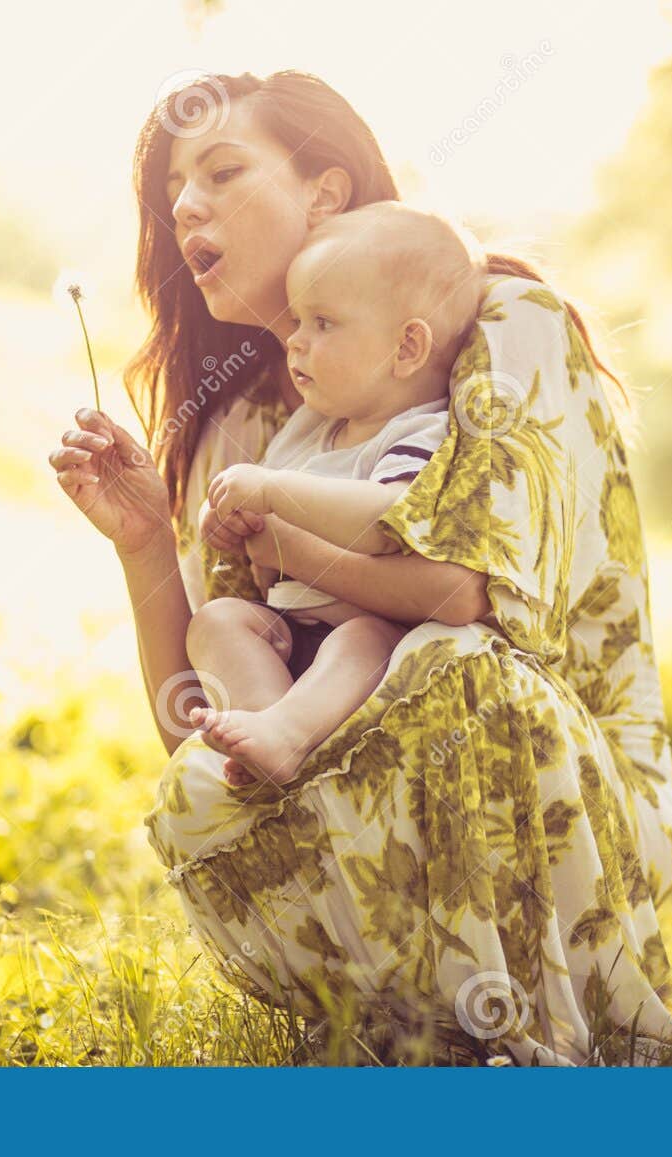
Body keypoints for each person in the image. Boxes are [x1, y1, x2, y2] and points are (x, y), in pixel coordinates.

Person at [47, 70, 672, 1065]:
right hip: (369, 775)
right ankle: (409, 1037)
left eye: (221, 171)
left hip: (560, 786)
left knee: (446, 662)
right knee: (230, 757)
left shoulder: (502, 330)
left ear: (326, 191)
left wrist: (280, 540)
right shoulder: (244, 417)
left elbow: (465, 593)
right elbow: (193, 718)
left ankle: (534, 1038)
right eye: (169, 196)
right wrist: (149, 543)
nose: (183, 206)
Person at [186, 202, 487, 787]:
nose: (295, 342)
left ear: (406, 349)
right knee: (218, 620)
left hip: (367, 646)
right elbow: (257, 530)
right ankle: (268, 733)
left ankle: (290, 735)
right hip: (290, 632)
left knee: (361, 639)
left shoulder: (418, 432)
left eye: (322, 323)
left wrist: (270, 492)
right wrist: (225, 520)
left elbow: (384, 519)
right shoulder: (311, 427)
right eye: (298, 321)